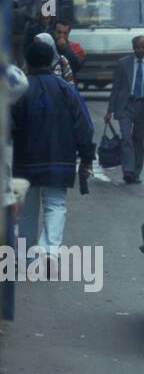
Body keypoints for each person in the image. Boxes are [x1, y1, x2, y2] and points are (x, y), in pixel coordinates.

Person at [12, 40, 94, 260]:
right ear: (51, 62)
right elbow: (84, 126)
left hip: (23, 163)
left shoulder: (18, 91)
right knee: (55, 205)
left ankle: (26, 257)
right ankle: (49, 254)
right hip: (59, 161)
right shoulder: (67, 90)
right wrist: (87, 156)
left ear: (27, 62)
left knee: (27, 211)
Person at [105, 35, 144, 184]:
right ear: (133, 47)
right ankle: (128, 170)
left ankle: (136, 172)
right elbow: (116, 88)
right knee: (126, 138)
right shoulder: (123, 63)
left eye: (143, 47)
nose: (140, 50)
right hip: (125, 105)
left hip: (143, 107)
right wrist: (110, 110)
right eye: (137, 47)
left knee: (138, 139)